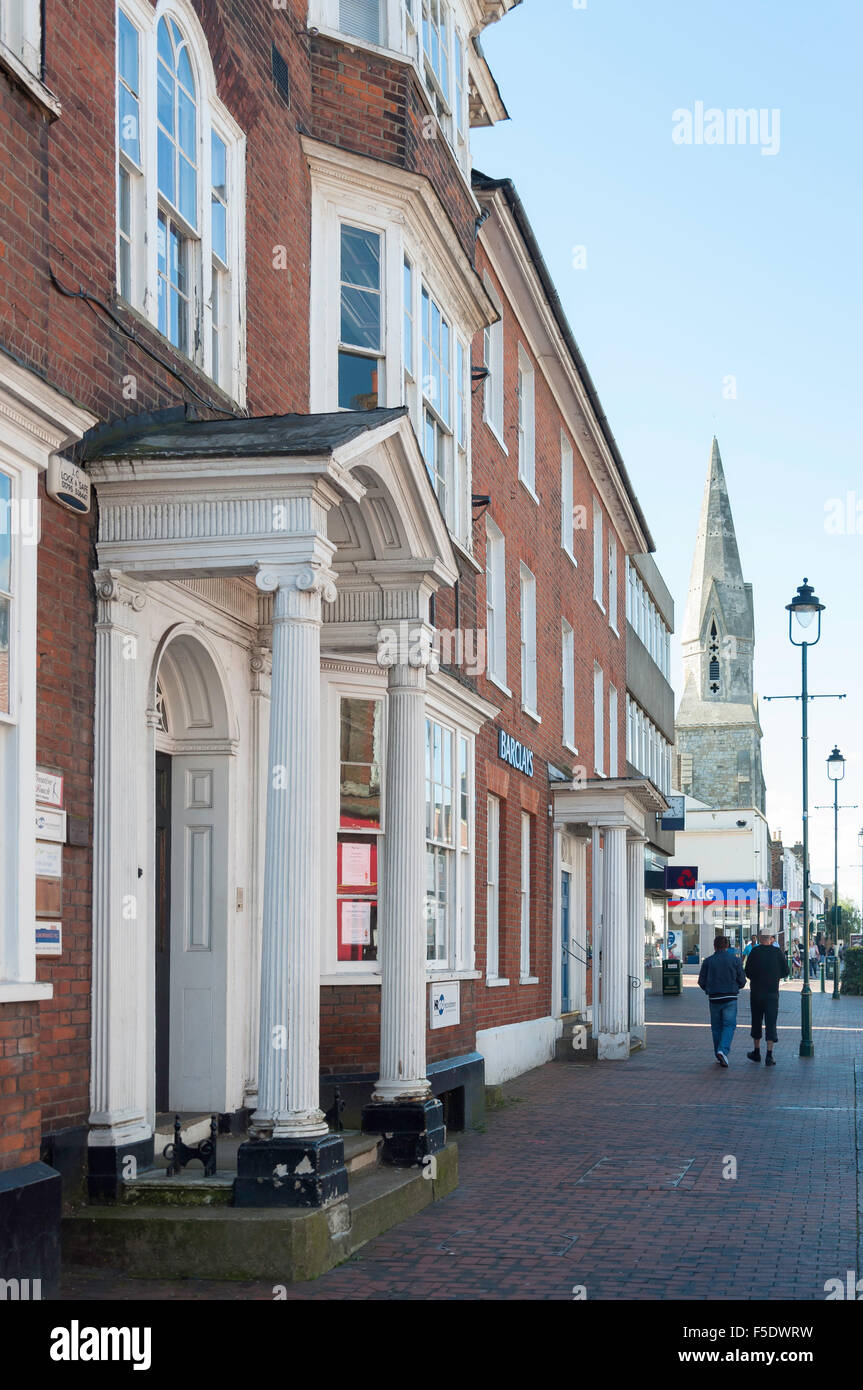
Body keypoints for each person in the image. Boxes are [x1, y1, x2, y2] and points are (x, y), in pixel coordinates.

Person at [698, 934, 747, 1067]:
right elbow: (742, 981)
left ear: (714, 946)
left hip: (714, 997)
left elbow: (701, 981)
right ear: (727, 946)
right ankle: (723, 1050)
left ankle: (718, 1052)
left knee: (716, 1027)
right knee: (729, 1025)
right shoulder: (735, 960)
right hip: (730, 996)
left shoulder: (708, 961)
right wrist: (736, 986)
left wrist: (709, 989)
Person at [745, 930, 789, 1066]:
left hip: (756, 992)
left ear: (759, 938)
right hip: (772, 993)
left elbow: (747, 972)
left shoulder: (754, 952)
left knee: (756, 1020)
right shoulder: (777, 953)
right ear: (771, 939)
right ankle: (769, 1055)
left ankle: (756, 1051)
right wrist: (775, 977)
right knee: (771, 1022)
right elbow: (786, 971)